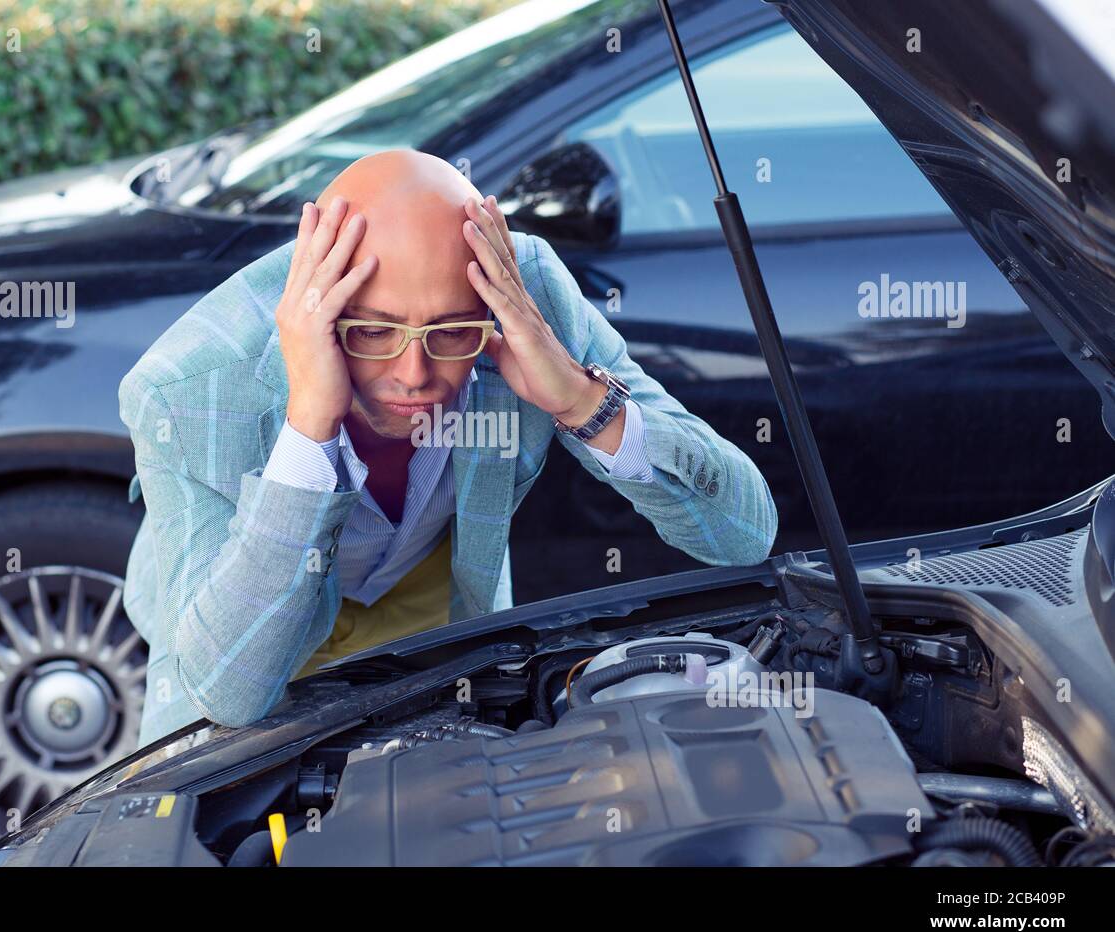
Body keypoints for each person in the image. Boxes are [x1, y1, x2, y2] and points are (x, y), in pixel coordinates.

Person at [119, 149, 776, 746]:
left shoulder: (523, 293)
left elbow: (743, 534)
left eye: (452, 333)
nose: (412, 375)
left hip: (434, 610)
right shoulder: (187, 389)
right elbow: (229, 690)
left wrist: (580, 400)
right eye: (372, 333)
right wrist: (309, 426)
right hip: (249, 609)